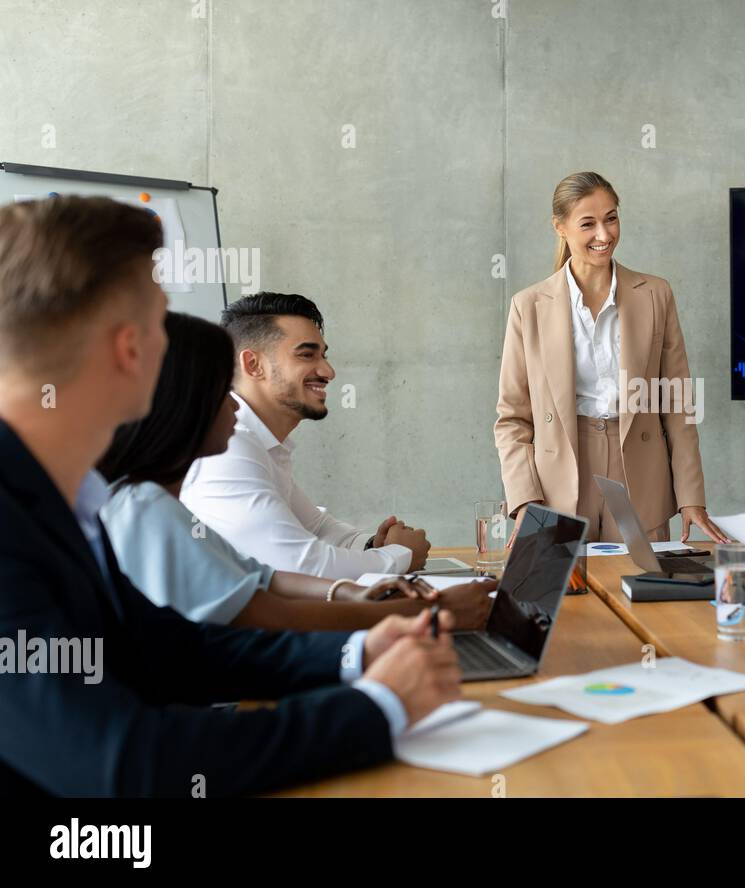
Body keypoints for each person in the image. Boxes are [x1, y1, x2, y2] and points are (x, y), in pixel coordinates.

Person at [0, 196, 458, 796]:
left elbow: (175, 648)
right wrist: (380, 708)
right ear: (129, 348)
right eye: (163, 321)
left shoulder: (70, 498)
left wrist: (357, 652)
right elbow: (123, 761)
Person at [99, 310, 494, 632]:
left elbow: (263, 576)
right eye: (222, 391)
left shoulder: (157, 500)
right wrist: (427, 606)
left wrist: (354, 584)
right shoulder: (156, 502)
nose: (234, 405)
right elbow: (279, 599)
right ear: (183, 406)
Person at [496, 171, 726, 544]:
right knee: (558, 599)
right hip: (558, 482)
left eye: (612, 218)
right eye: (588, 223)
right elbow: (513, 419)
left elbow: (678, 404)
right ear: (560, 227)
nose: (604, 235)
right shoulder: (528, 306)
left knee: (640, 596)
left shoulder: (655, 294)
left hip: (639, 475)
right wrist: (525, 500)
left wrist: (691, 499)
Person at [181, 292, 431, 579]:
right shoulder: (228, 446)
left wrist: (374, 545)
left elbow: (316, 528)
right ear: (253, 365)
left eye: (323, 355)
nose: (328, 371)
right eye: (306, 354)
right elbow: (301, 564)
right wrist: (398, 555)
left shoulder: (262, 443)